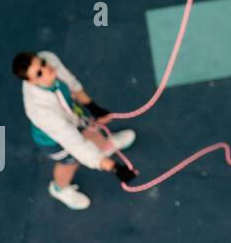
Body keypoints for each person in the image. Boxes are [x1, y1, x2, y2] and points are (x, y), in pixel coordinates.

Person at [12, 50, 137, 209]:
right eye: (39, 73)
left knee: (91, 130)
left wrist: (94, 108)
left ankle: (105, 146)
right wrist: (114, 168)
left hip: (70, 113)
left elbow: (71, 84)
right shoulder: (42, 111)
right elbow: (76, 145)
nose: (47, 69)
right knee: (70, 163)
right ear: (31, 82)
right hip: (55, 140)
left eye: (42, 63)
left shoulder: (49, 59)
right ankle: (59, 188)